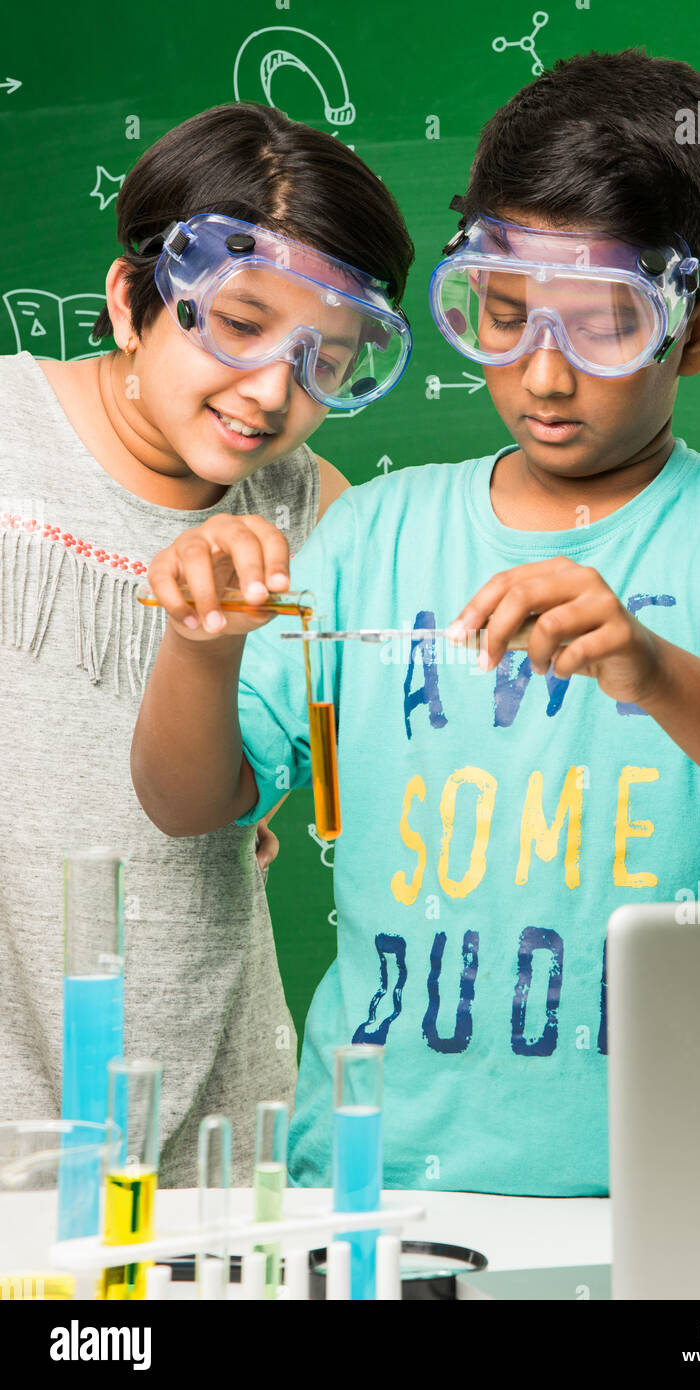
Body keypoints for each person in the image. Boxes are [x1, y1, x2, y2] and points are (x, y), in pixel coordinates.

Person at [131, 51, 700, 1196]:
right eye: (504, 316)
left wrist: (656, 672)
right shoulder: (373, 534)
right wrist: (204, 642)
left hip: (685, 1193)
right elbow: (191, 803)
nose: (544, 372)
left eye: (604, 327)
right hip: (373, 1185)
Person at [0, 100, 413, 1185]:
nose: (272, 390)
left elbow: (294, 778)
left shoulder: (314, 509)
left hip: (223, 1122)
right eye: (237, 321)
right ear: (132, 301)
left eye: (324, 356)